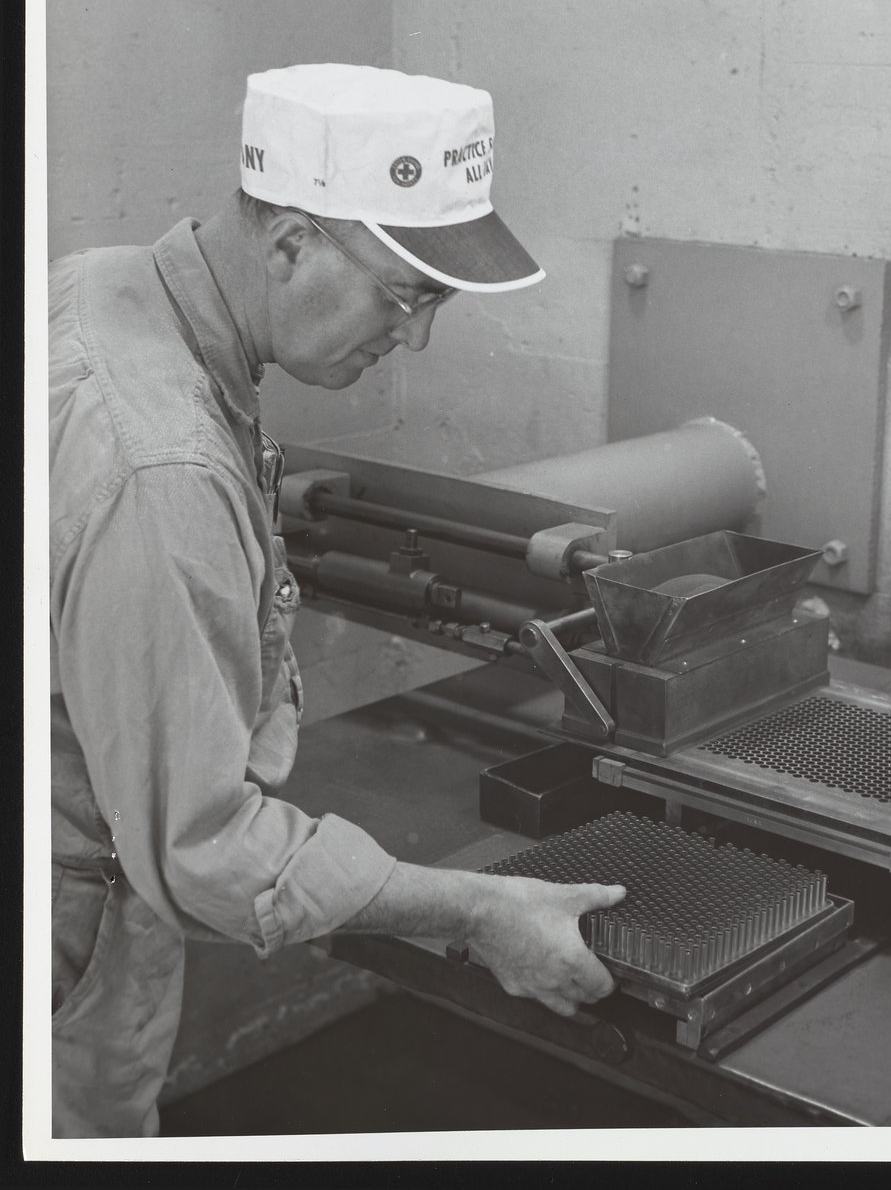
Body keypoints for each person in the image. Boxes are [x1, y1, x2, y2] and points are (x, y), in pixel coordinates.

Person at [48, 63, 625, 1137]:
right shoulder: (161, 466)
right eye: (405, 296)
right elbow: (205, 850)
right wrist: (479, 910)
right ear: (292, 242)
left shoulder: (101, 286)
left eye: (434, 303)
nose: (413, 341)